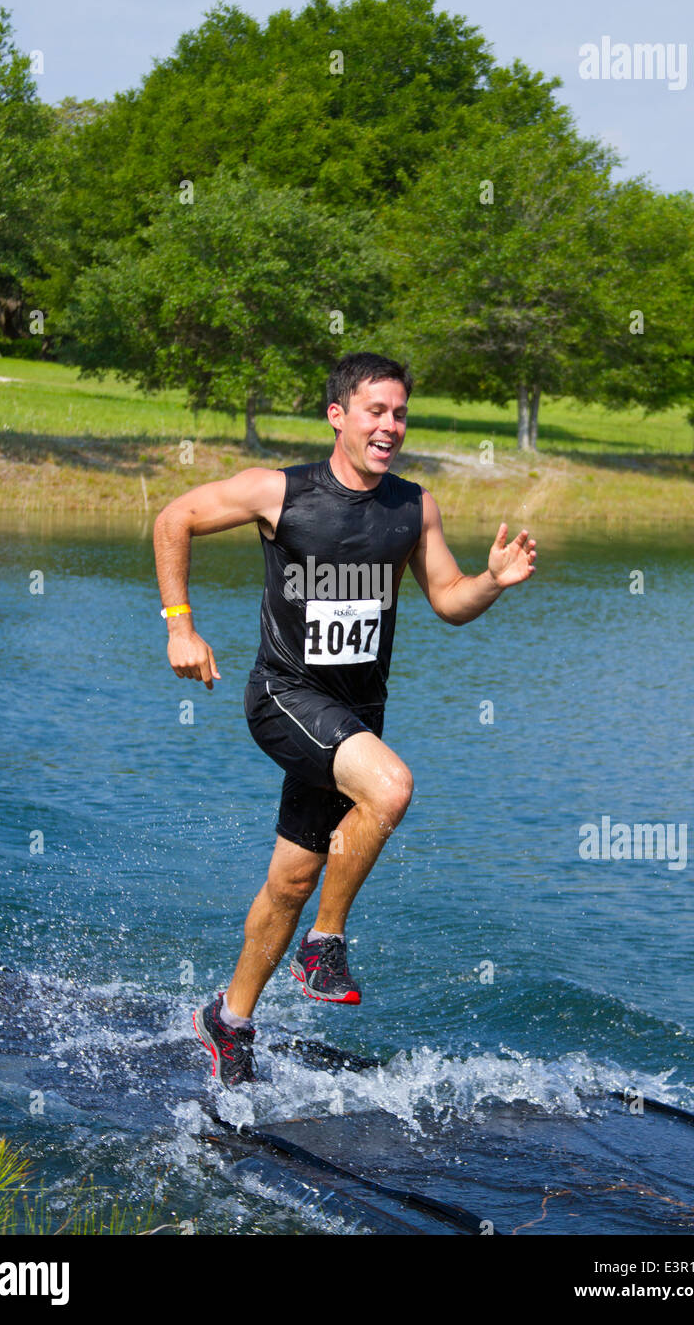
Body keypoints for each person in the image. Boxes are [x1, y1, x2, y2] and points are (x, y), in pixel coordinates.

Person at [153, 352, 536, 1085]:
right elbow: (174, 518)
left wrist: (492, 580)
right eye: (375, 412)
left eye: (399, 413)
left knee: (291, 880)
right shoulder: (280, 492)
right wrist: (179, 625)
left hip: (355, 715)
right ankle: (324, 945)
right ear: (338, 416)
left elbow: (449, 602)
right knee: (390, 788)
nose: (390, 426)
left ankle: (227, 1021)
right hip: (283, 698)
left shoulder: (412, 507)